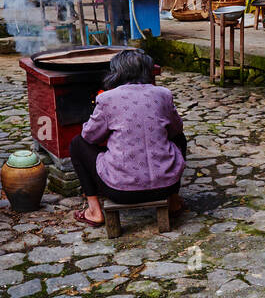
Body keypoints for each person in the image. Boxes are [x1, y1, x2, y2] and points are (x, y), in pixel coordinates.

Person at [69, 49, 185, 227]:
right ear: (147, 71)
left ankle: (94, 211)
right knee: (180, 138)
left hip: (120, 191)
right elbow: (176, 129)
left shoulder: (107, 98)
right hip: (167, 186)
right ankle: (174, 200)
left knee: (77, 144)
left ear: (117, 72)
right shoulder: (163, 94)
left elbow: (89, 136)